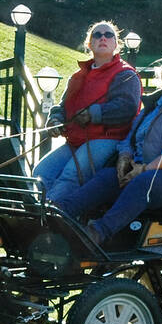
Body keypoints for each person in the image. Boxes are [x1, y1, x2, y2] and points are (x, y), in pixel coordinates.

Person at [57, 51, 162, 250]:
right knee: (108, 176)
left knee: (145, 183)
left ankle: (97, 233)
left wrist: (143, 170)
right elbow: (131, 137)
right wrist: (124, 158)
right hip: (156, 173)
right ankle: (60, 214)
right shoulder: (156, 104)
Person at [33, 21, 141, 205]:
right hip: (76, 140)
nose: (103, 38)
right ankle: (38, 212)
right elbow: (63, 106)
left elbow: (127, 108)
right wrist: (56, 119)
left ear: (116, 44)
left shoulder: (125, 74)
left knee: (70, 176)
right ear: (89, 44)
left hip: (107, 139)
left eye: (109, 35)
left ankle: (53, 217)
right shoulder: (78, 75)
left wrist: (94, 113)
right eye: (97, 35)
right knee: (41, 172)